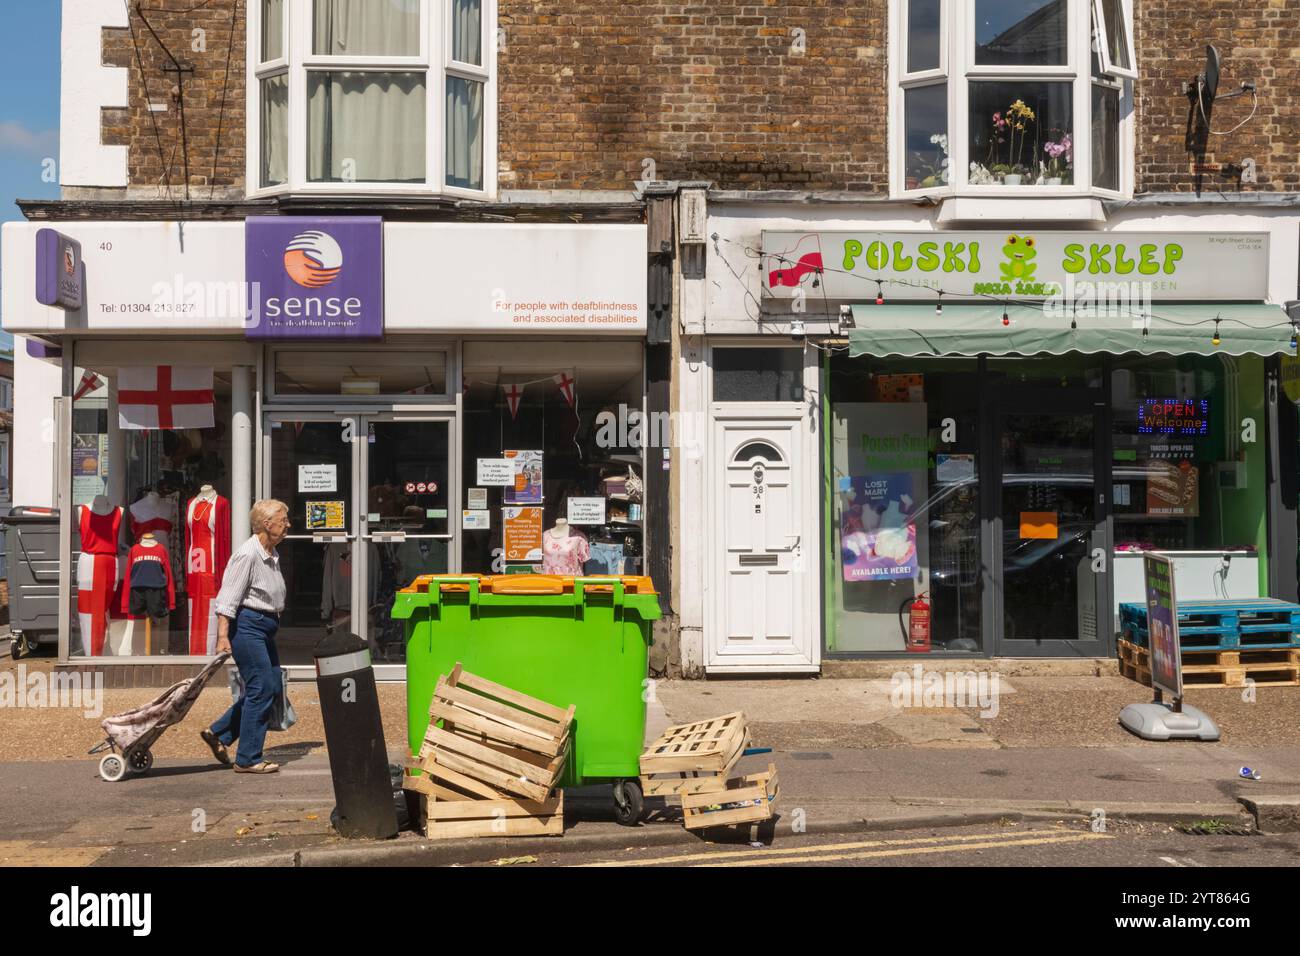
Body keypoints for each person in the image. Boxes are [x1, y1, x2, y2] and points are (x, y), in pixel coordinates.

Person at [200, 499, 290, 773]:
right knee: (261, 687)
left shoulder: (270, 554)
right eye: (283, 520)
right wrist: (222, 635)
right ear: (266, 524)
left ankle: (220, 733)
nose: (288, 525)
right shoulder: (248, 554)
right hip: (248, 626)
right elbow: (227, 598)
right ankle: (248, 759)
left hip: (265, 626)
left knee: (271, 684)